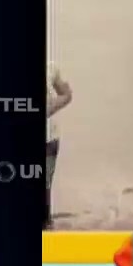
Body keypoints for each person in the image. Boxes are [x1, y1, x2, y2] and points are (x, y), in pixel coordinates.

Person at [45, 62, 73, 230]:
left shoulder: (51, 68)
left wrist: (51, 108)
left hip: (49, 139)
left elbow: (66, 94)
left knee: (45, 184)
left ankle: (46, 226)